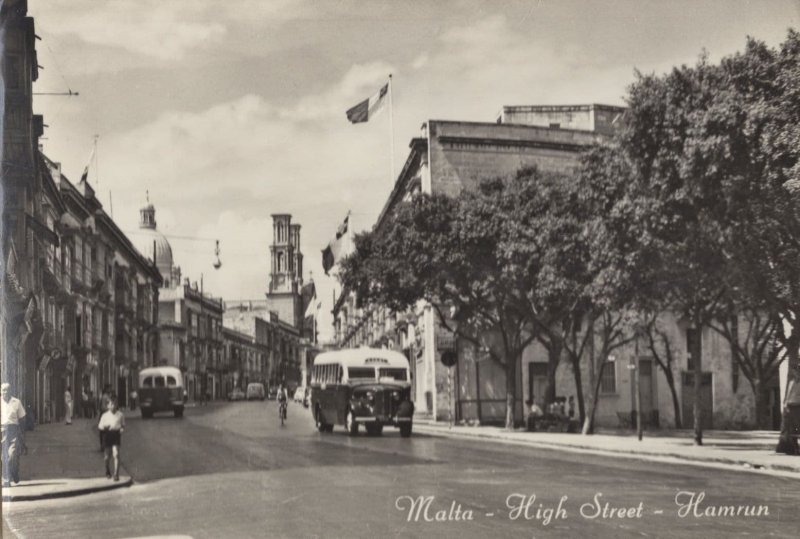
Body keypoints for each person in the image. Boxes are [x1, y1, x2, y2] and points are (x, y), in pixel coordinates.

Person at [1, 383, 27, 487]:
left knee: (12, 455)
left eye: (7, 390)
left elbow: (22, 418)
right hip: (2, 430)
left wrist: (22, 434)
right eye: (3, 390)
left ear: (11, 391)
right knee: (3, 457)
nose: (5, 392)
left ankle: (14, 472)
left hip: (13, 431)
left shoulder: (16, 402)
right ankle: (6, 479)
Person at [98, 397, 125, 481]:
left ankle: (116, 474)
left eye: (115, 404)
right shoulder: (104, 415)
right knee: (106, 456)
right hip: (107, 434)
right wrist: (104, 427)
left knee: (116, 454)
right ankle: (107, 470)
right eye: (111, 404)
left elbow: (123, 425)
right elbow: (100, 426)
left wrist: (121, 429)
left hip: (116, 434)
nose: (113, 406)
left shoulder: (120, 415)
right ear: (108, 406)